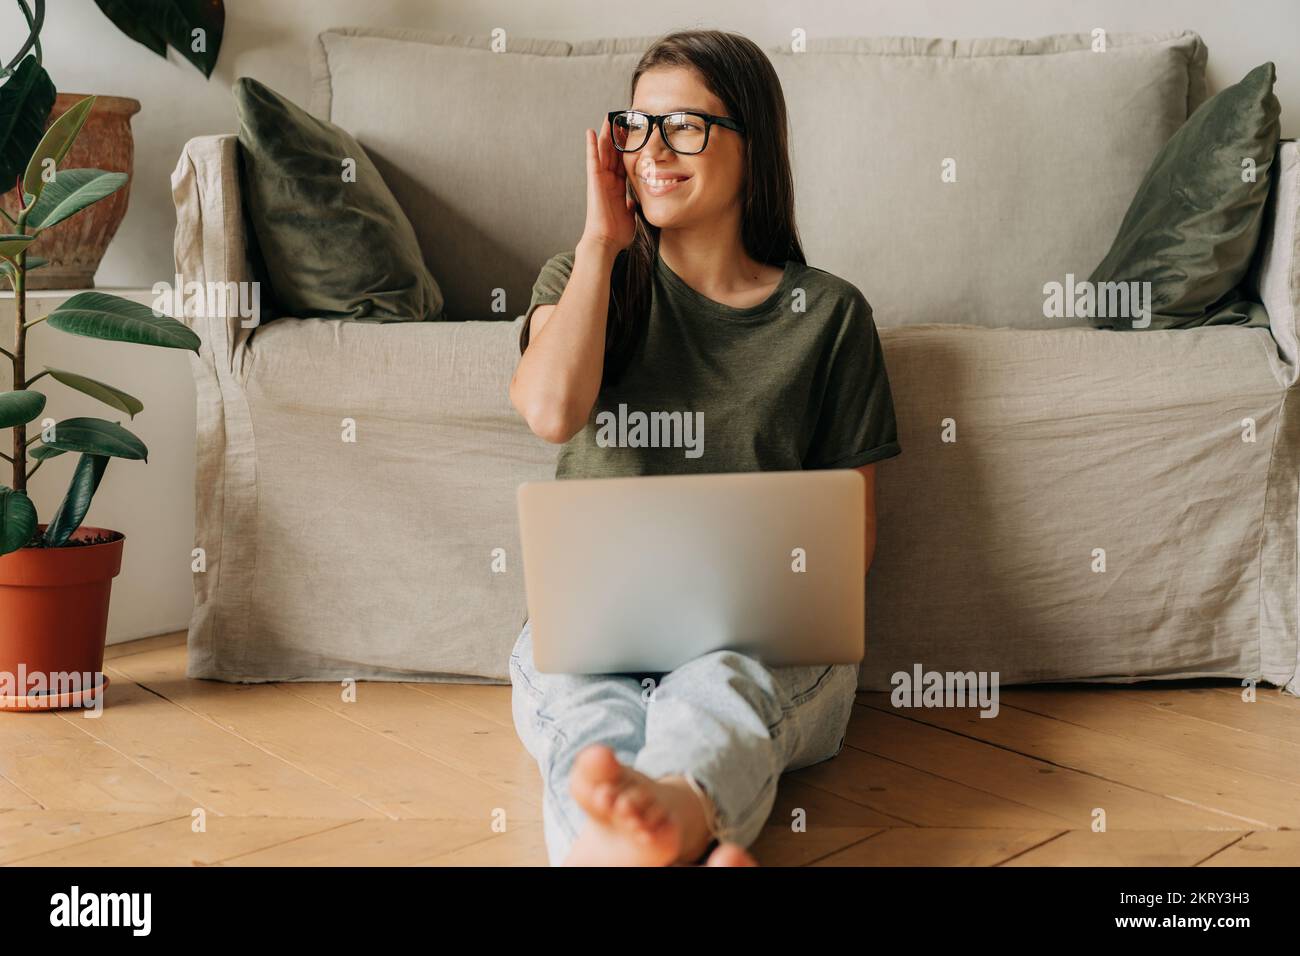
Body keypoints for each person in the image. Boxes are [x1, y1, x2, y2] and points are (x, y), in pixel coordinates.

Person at [507, 28, 901, 866]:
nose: (652, 152)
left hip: (767, 650)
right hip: (594, 639)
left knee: (719, 692)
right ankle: (663, 836)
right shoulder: (581, 281)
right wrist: (599, 245)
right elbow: (549, 411)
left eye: (685, 126)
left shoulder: (831, 316)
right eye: (636, 126)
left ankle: (654, 824)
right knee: (587, 716)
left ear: (753, 146)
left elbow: (852, 541)